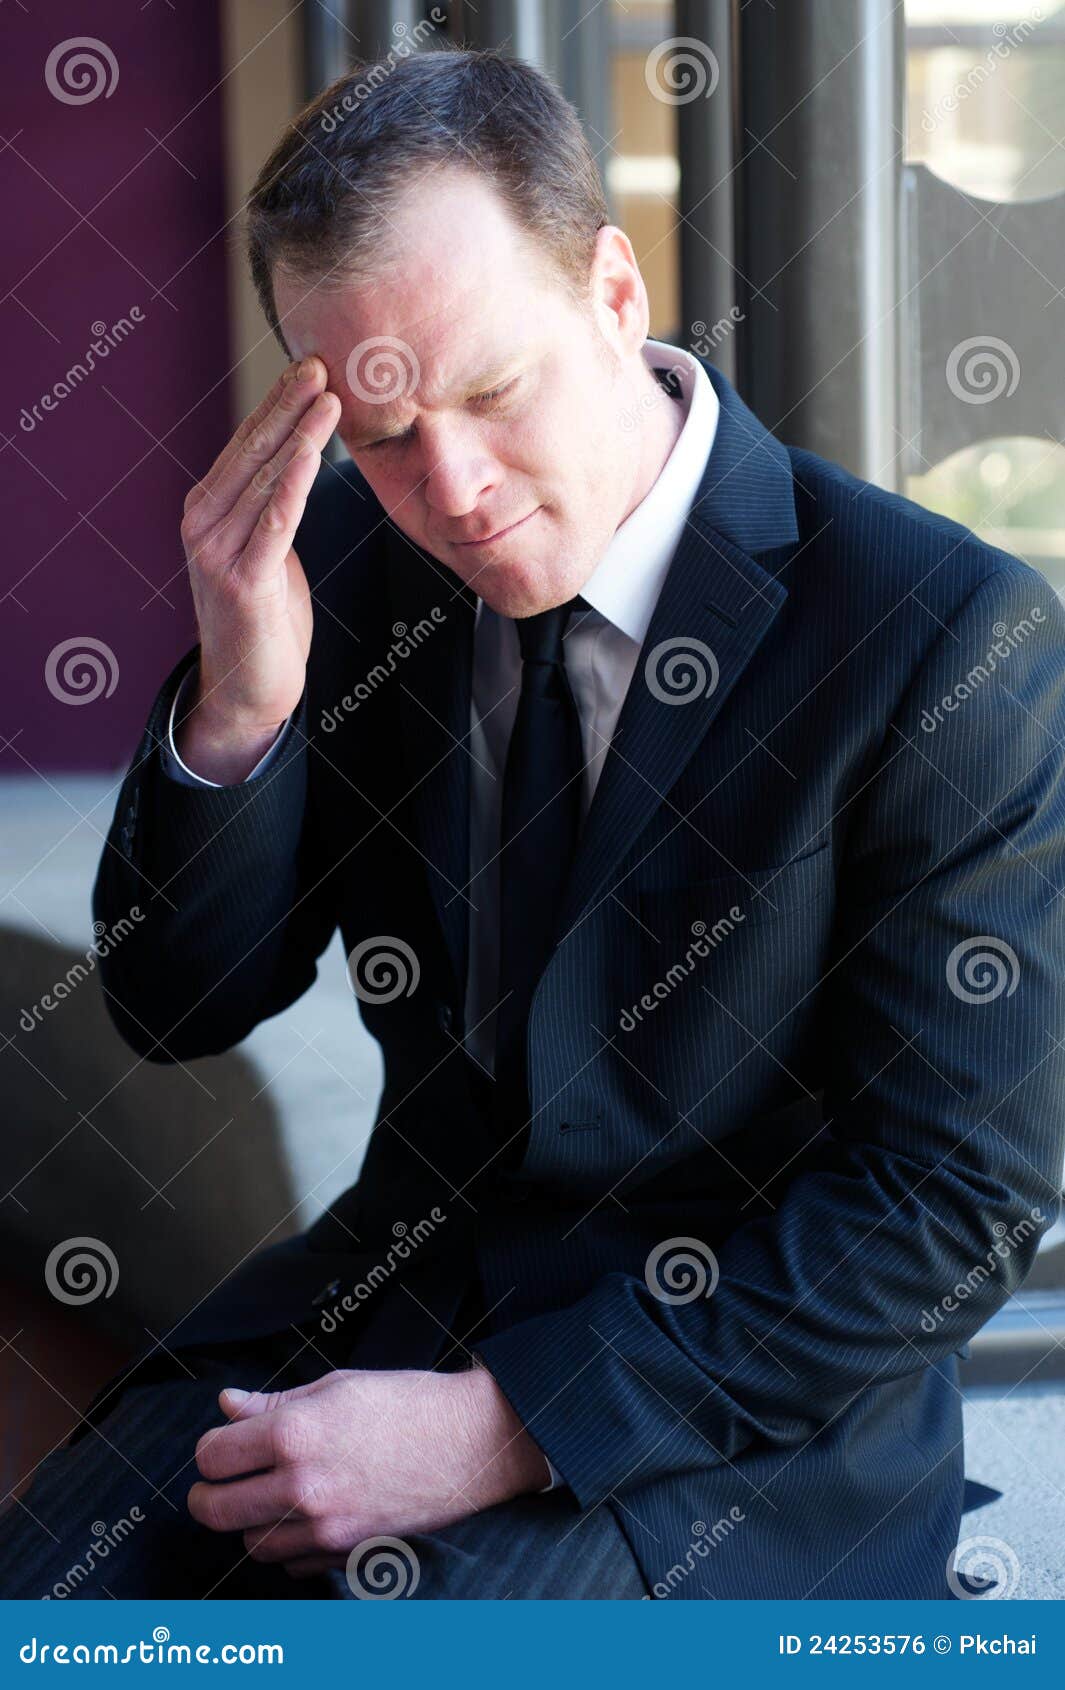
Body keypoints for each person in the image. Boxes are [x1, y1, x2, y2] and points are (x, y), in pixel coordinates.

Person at [3, 45, 1063, 1602]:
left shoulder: (940, 634)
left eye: (495, 391)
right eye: (378, 431)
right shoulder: (351, 575)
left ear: (617, 293)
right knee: (54, 1593)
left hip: (727, 1432)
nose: (454, 489)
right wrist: (241, 706)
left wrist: (505, 1425)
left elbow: (952, 1200)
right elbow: (177, 1006)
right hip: (386, 1302)